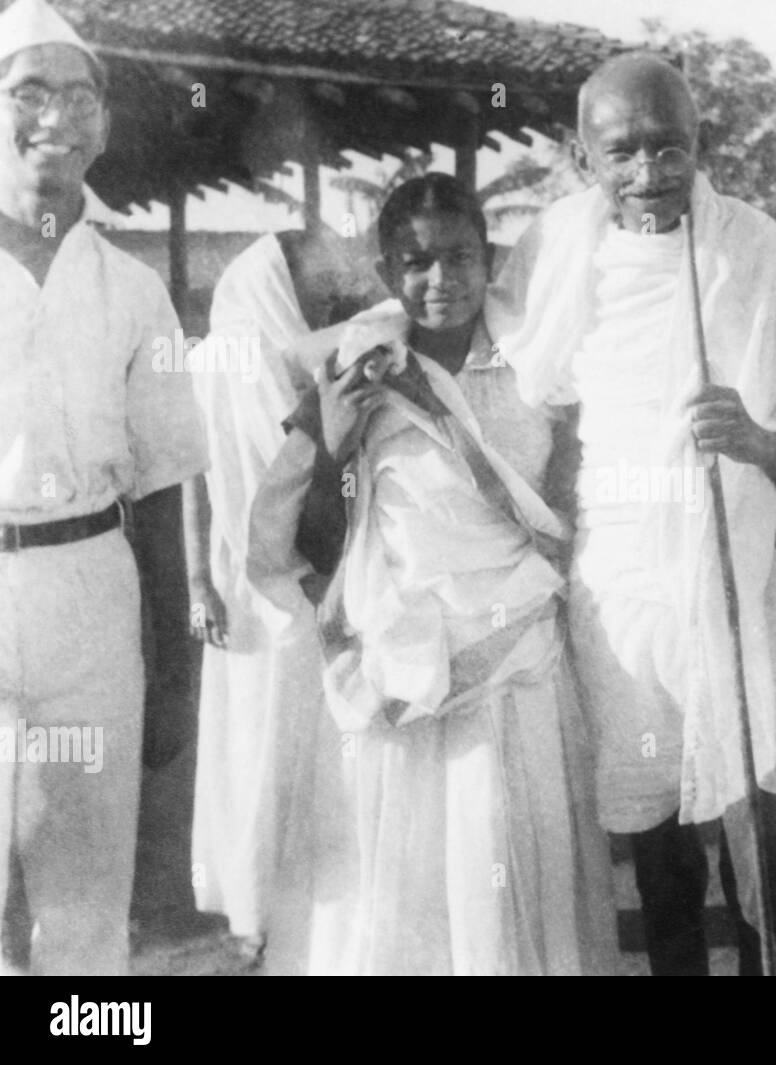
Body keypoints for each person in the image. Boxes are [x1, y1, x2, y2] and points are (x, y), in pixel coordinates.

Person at [488, 52, 776, 976]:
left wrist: (756, 440)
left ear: (700, 143)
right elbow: (509, 394)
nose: (651, 172)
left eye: (672, 147)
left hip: (732, 579)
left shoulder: (751, 251)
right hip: (619, 592)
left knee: (758, 847)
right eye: (624, 152)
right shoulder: (552, 258)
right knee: (658, 856)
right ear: (585, 159)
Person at [247, 174, 616, 975]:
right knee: (402, 887)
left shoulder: (537, 361)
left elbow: (572, 491)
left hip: (513, 652)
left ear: (489, 261)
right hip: (400, 654)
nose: (439, 281)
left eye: (459, 259)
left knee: (501, 851)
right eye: (416, 263)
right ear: (386, 268)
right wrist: (333, 439)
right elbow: (295, 528)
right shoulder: (361, 367)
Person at [0, 0, 208, 975]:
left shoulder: (134, 291)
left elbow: (163, 490)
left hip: (91, 597)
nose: (57, 117)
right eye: (27, 93)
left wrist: (171, 668)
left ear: (106, 124)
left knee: (83, 905)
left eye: (79, 96)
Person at [185, 229, 373, 961]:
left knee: (306, 740)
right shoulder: (210, 364)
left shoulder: (305, 360)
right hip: (241, 583)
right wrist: (199, 581)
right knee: (249, 743)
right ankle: (254, 908)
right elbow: (192, 477)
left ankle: (312, 912)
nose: (324, 298)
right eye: (312, 286)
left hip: (304, 571)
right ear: (273, 283)